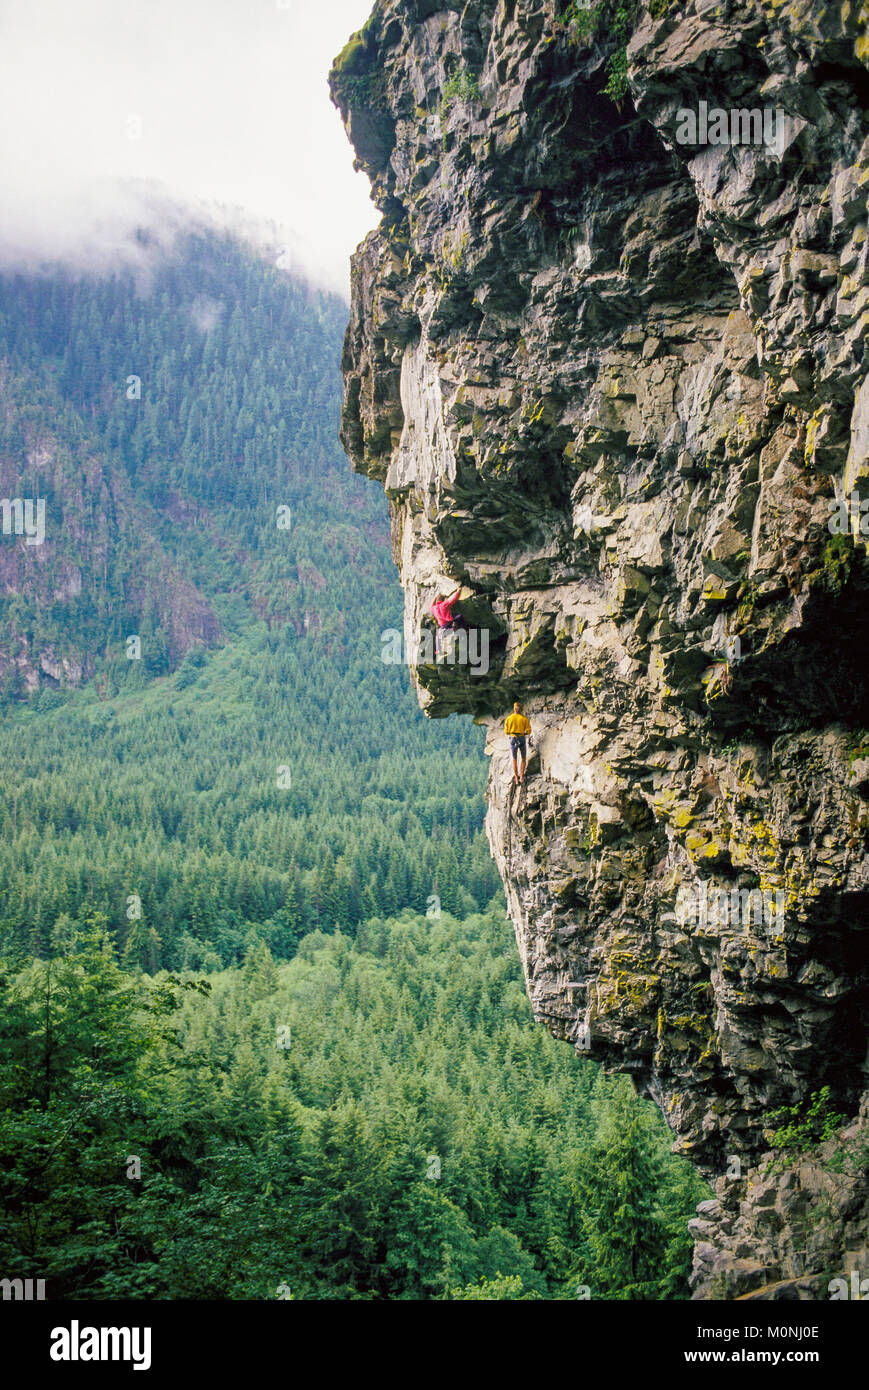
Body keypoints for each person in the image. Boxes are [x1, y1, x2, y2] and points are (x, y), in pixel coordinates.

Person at [504, 701, 532, 785]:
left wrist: (512, 732)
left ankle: (516, 778)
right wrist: (524, 733)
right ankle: (522, 777)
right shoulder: (524, 719)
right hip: (521, 738)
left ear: (514, 709)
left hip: (513, 738)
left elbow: (506, 731)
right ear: (520, 709)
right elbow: (529, 731)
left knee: (514, 759)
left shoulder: (509, 718)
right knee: (523, 758)